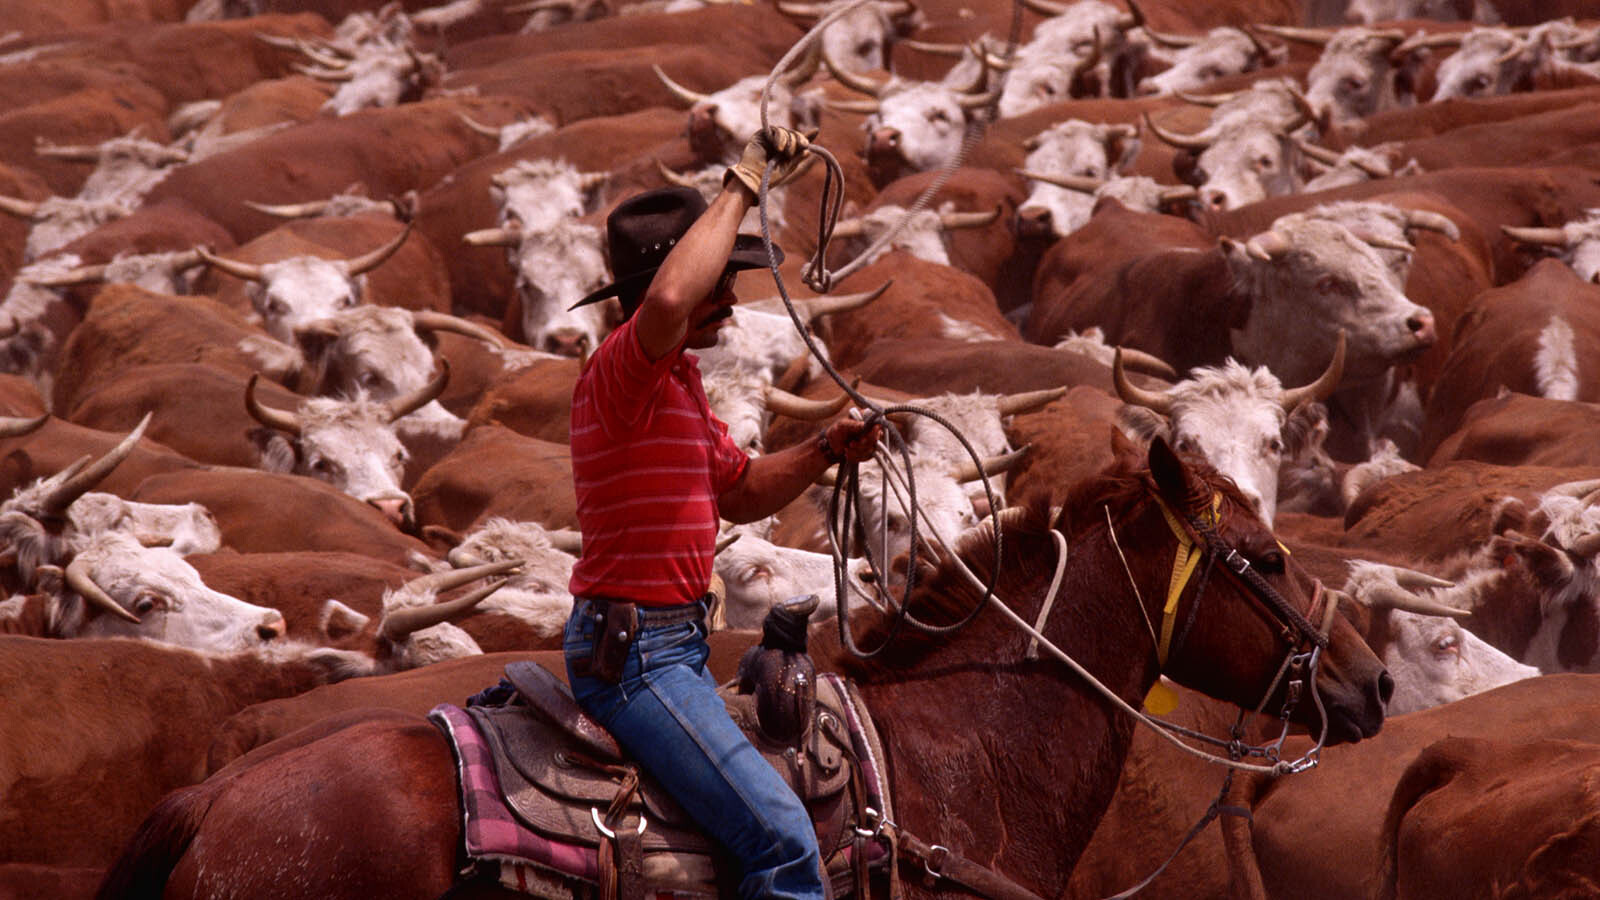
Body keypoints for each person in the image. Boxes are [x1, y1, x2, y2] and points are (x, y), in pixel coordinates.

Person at [561, 127, 882, 900]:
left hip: (673, 643)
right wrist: (744, 180)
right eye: (722, 282)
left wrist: (825, 450)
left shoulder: (677, 383)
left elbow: (738, 491)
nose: (732, 302)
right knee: (780, 840)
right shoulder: (624, 370)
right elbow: (673, 294)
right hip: (637, 661)